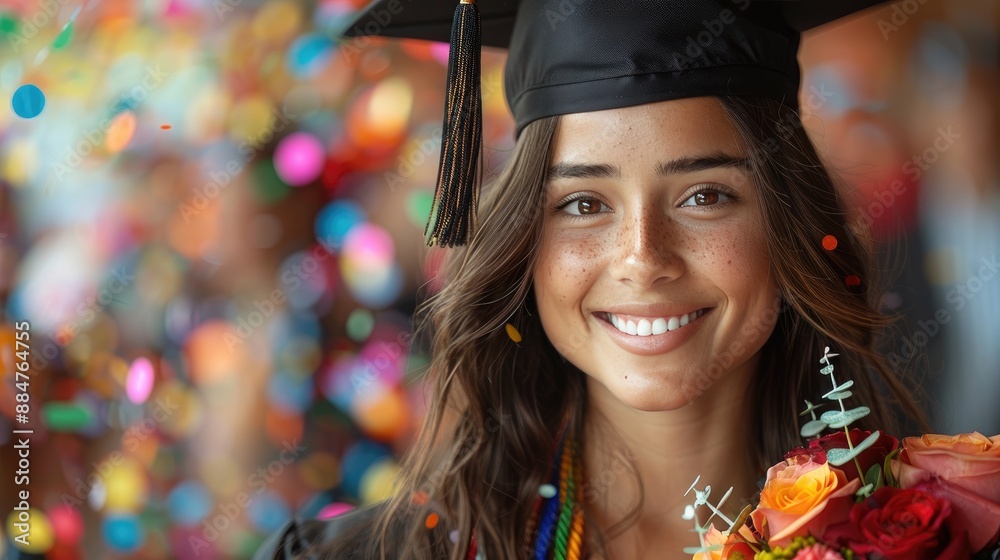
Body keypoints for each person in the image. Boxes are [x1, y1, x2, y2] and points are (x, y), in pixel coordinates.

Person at [255, 1, 927, 558]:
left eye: (704, 196)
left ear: (788, 224)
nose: (642, 257)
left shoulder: (936, 538)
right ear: (525, 245)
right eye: (583, 204)